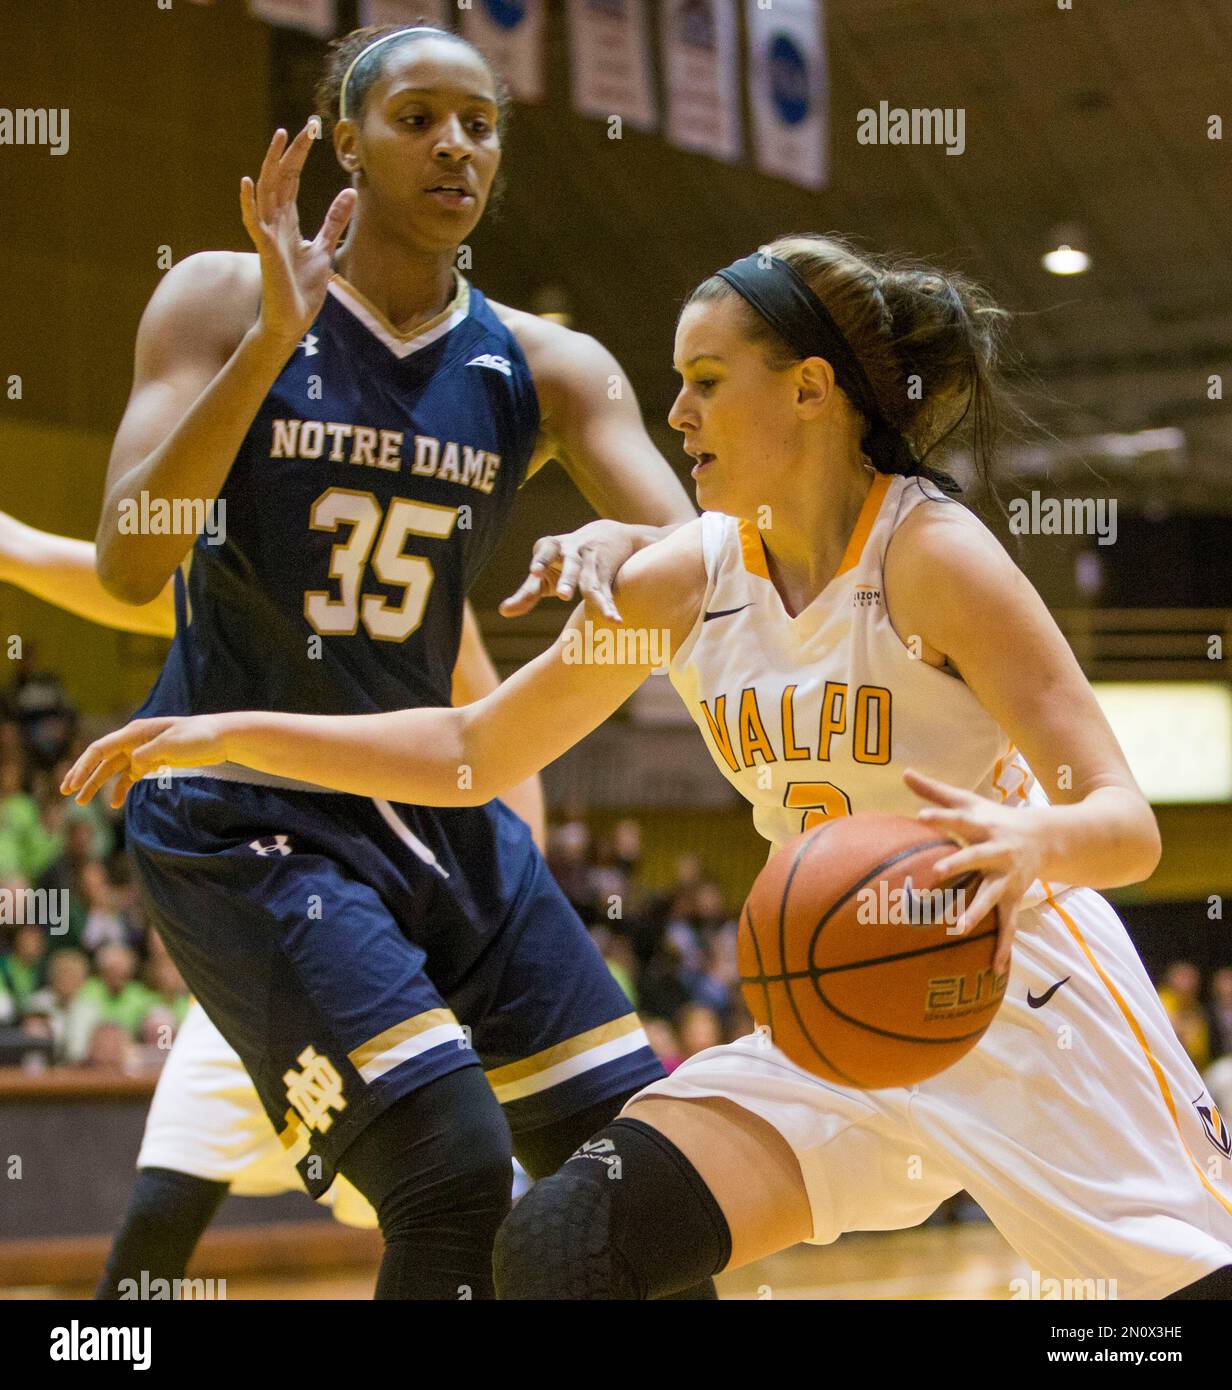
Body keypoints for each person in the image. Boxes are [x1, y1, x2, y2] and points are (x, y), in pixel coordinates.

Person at [68, 232, 1232, 1302]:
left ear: (810, 391)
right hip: (833, 1022)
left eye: (705, 381)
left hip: (1009, 995)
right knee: (567, 1244)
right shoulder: (682, 580)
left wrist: (1034, 841)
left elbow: (1125, 824)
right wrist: (225, 729)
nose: (672, 413)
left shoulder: (932, 557)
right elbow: (475, 750)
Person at [46, 19, 707, 1302]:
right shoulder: (215, 297)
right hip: (241, 810)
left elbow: (701, 570)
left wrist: (617, 551)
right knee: (441, 1173)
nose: (456, 143)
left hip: (428, 803)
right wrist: (267, 343)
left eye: (480, 122)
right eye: (417, 119)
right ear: (344, 141)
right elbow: (131, 561)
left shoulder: (546, 364)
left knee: (647, 1170)